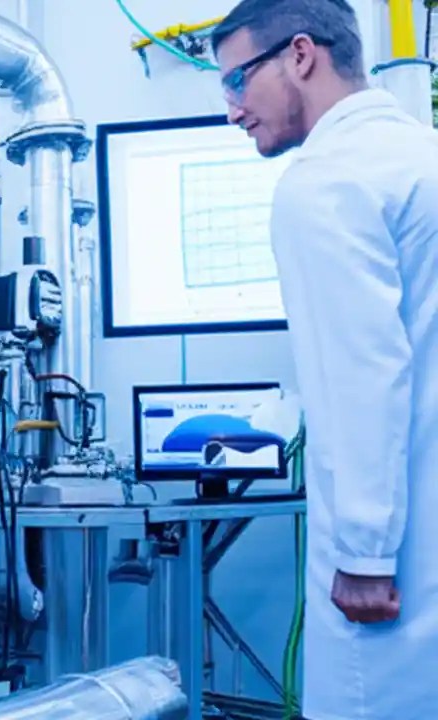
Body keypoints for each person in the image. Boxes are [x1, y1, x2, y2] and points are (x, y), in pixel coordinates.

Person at [212, 0, 438, 717]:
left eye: (237, 81)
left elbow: (360, 379)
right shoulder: (420, 156)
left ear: (301, 55)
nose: (232, 110)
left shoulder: (326, 183)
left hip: (397, 570)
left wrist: (366, 555)